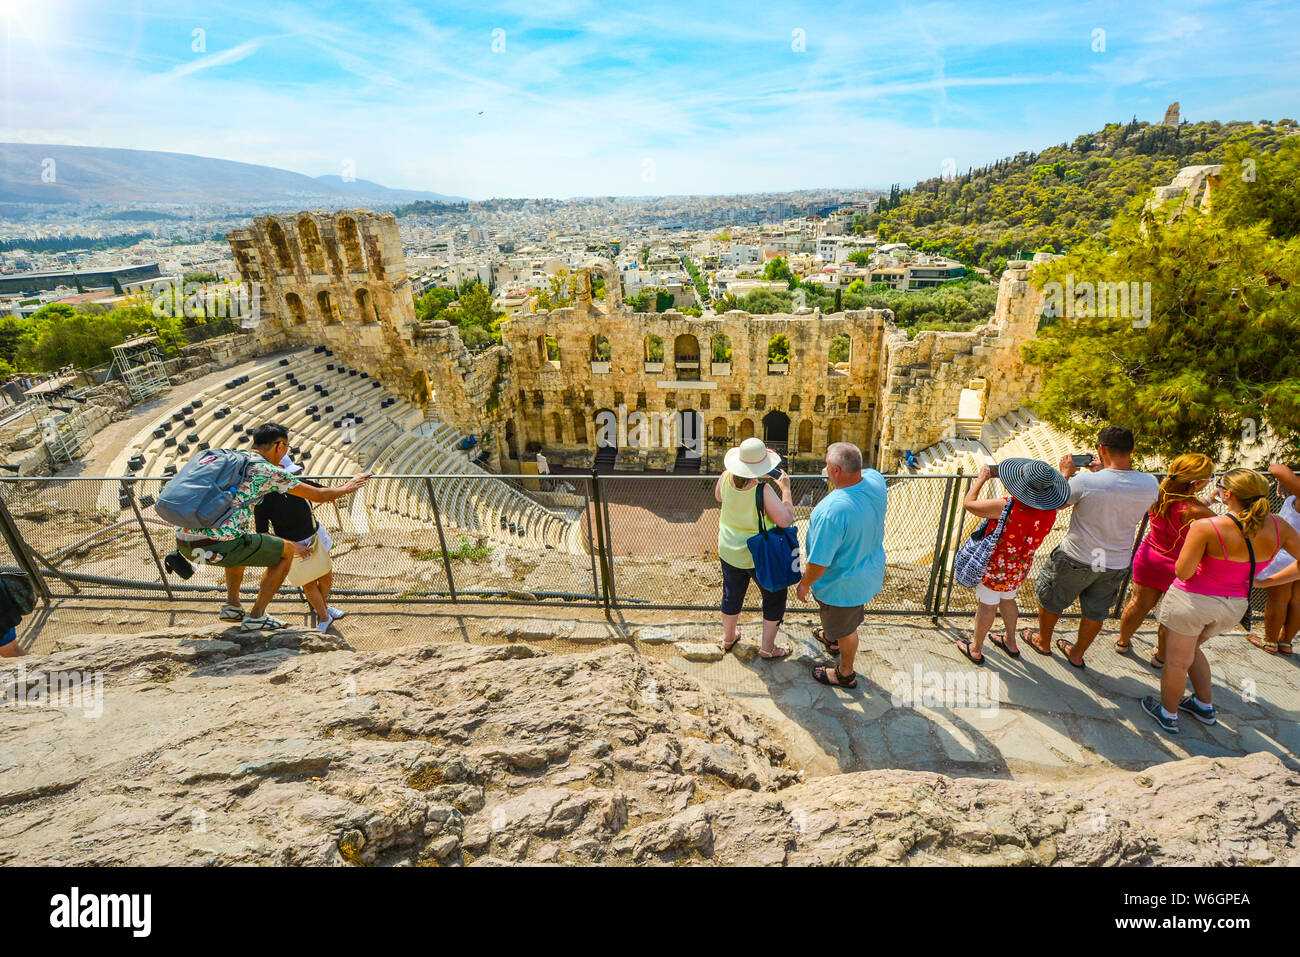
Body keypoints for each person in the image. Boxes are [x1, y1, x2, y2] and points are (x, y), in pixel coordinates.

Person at [1141, 469, 1300, 734]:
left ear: (1229, 495)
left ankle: (1167, 714)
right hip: (1234, 605)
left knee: (1177, 661)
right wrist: (1264, 582)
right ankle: (1204, 706)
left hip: (1192, 602)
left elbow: (1183, 572)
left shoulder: (1207, 527)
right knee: (1191, 652)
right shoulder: (1278, 526)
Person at [175, 423, 371, 632]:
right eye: (286, 446)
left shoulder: (233, 459)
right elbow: (319, 495)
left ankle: (232, 605)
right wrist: (350, 486)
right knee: (285, 552)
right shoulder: (267, 471)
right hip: (217, 546)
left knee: (239, 545)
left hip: (187, 544)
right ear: (279, 446)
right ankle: (257, 616)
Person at [1022, 427, 1159, 667]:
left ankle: (1043, 642)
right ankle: (1076, 654)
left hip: (1077, 555)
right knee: (1095, 612)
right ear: (1133, 450)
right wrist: (1103, 472)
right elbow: (1120, 490)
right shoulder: (1150, 484)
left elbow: (1054, 504)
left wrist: (1064, 474)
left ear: (1101, 449)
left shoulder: (1086, 481)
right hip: (1115, 561)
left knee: (1052, 600)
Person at [956, 459, 1069, 663]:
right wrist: (1065, 475)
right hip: (1019, 565)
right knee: (1008, 600)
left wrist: (982, 478)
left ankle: (976, 648)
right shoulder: (1051, 510)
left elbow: (969, 504)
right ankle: (1010, 641)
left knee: (987, 606)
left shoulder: (1007, 506)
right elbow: (1059, 500)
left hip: (995, 566)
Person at [796, 442, 887, 688]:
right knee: (840, 621)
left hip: (843, 585)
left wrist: (805, 585)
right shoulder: (876, 481)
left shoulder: (831, 511)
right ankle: (831, 637)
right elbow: (868, 472)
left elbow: (819, 562)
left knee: (847, 628)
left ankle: (845, 672)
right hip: (868, 569)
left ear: (836, 471)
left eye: (827, 466)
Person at [1114, 454, 1215, 667]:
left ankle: (1122, 642)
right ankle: (1160, 657)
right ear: (1196, 483)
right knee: (1169, 616)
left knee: (1138, 604)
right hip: (1181, 567)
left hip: (1150, 558)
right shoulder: (1200, 512)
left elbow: (1178, 510)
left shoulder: (1157, 495)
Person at [714, 437, 796, 659]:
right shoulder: (763, 490)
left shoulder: (725, 477)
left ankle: (729, 637)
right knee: (774, 596)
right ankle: (768, 648)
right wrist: (786, 490)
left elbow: (719, 496)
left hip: (730, 549)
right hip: (759, 555)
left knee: (732, 593)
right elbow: (785, 520)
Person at [254, 453, 341, 634]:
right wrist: (294, 546)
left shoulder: (300, 483)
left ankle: (323, 607)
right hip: (292, 545)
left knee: (326, 577)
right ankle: (324, 616)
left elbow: (323, 493)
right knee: (309, 584)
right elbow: (262, 532)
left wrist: (345, 488)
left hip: (316, 535)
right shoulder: (265, 499)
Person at [1249, 462, 1300, 654]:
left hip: (1289, 554)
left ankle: (1270, 641)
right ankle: (1286, 642)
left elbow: (1276, 468)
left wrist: (1286, 479)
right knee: (1297, 601)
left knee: (1278, 600)